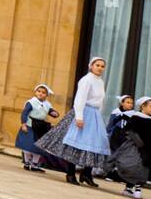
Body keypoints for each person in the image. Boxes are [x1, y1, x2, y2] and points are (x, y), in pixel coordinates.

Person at [38, 57, 113, 188]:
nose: (100, 68)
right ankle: (71, 173)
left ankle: (86, 173)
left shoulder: (100, 82)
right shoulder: (86, 80)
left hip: (95, 114)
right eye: (97, 65)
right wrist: (79, 116)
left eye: (102, 66)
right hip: (84, 112)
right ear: (91, 66)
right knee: (75, 143)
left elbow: (100, 101)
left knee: (95, 143)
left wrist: (99, 116)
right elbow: (80, 98)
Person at [15, 84, 59, 173]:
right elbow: (25, 113)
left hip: (40, 126)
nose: (40, 94)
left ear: (46, 95)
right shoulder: (31, 102)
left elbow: (50, 111)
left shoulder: (47, 104)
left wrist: (54, 113)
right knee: (28, 145)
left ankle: (35, 164)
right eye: (39, 91)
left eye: (43, 92)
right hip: (30, 125)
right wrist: (23, 124)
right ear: (35, 92)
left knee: (39, 146)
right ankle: (27, 162)